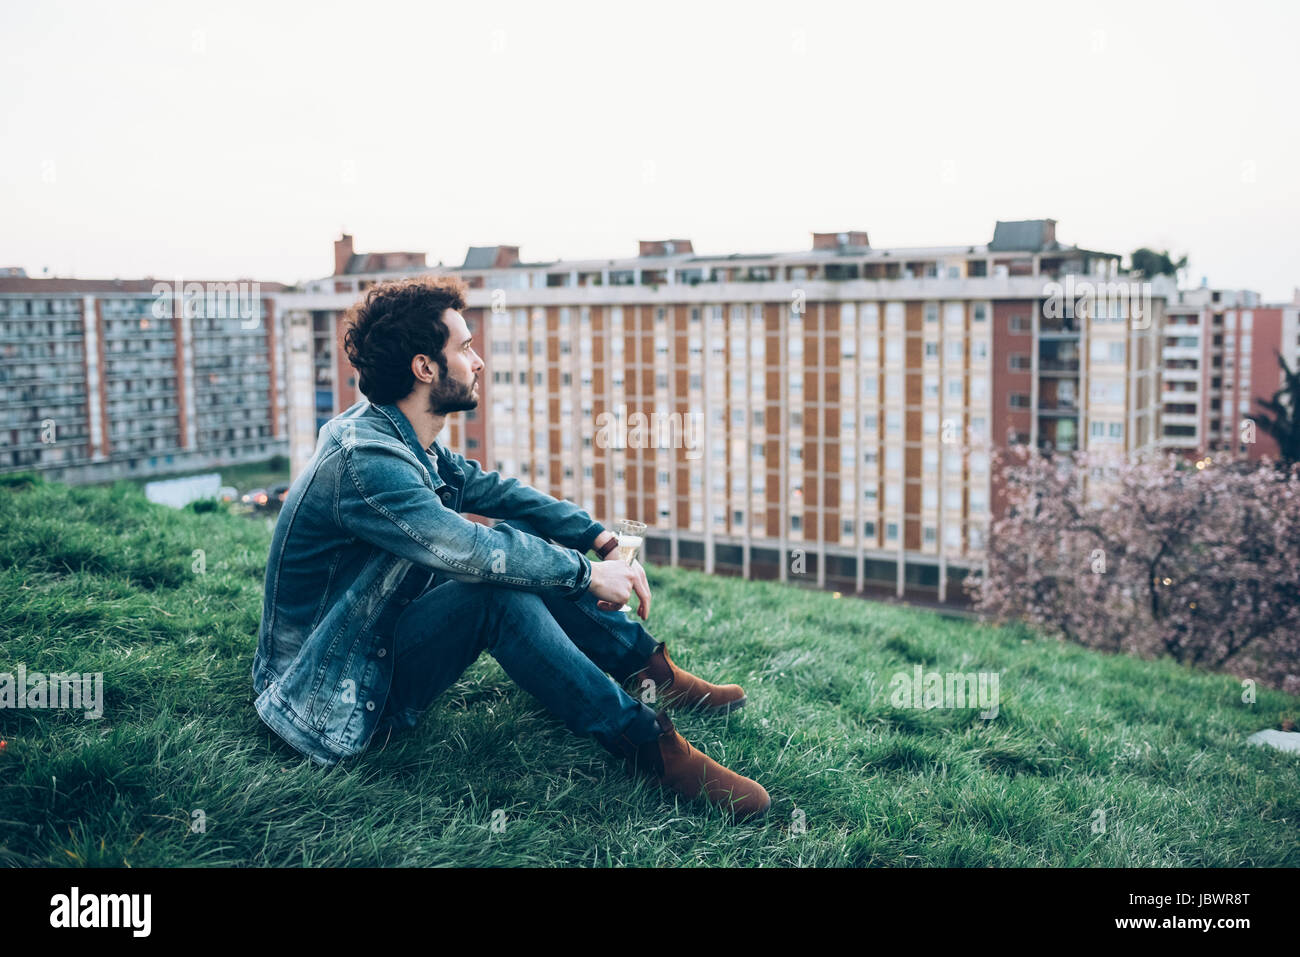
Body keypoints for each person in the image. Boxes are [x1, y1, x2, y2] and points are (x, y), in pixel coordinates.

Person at [250, 274, 769, 822]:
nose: (478, 362)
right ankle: (650, 747)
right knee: (499, 590)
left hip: (367, 641)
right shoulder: (370, 463)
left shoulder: (394, 433)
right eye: (466, 347)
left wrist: (598, 537)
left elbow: (490, 490)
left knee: (522, 562)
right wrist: (587, 575)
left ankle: (652, 676)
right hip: (327, 693)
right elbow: (474, 548)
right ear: (425, 368)